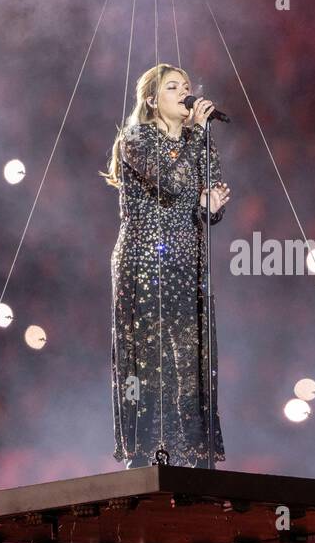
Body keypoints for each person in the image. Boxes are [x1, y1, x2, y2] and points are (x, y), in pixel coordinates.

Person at [99, 64, 231, 469]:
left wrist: (212, 207)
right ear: (152, 99)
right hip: (144, 261)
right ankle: (145, 458)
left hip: (187, 260)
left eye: (187, 86)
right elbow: (170, 183)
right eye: (173, 87)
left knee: (191, 357)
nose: (184, 92)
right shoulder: (136, 138)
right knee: (150, 358)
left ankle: (196, 459)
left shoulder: (201, 143)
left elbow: (207, 204)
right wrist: (195, 135)